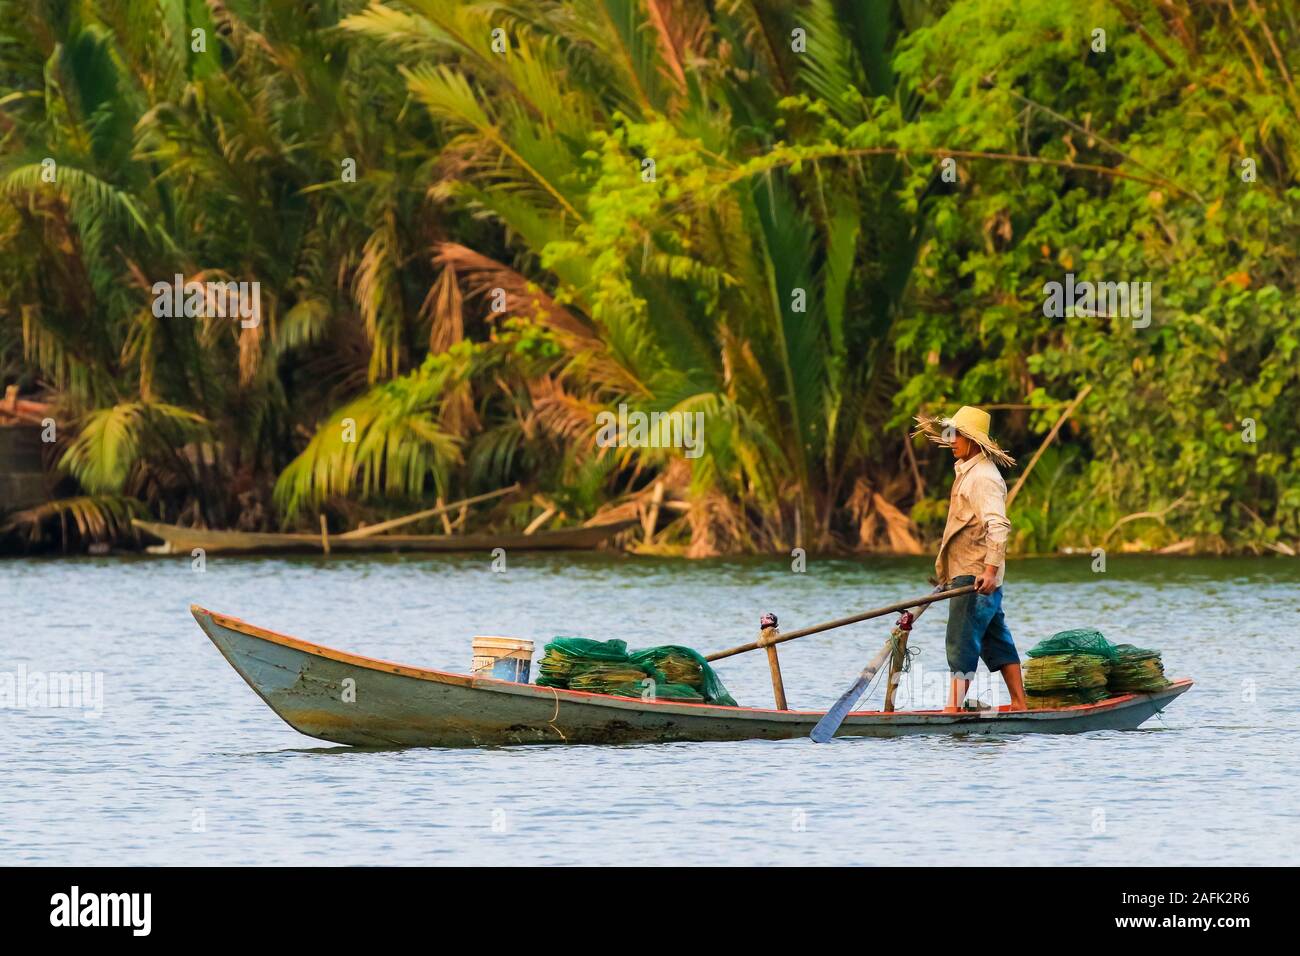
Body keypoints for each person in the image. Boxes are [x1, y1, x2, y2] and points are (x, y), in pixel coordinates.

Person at [913, 405, 1027, 712]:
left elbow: (998, 525)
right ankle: (1019, 703)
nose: (951, 441)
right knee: (996, 639)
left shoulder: (983, 478)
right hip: (972, 574)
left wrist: (989, 572)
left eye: (957, 436)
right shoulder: (969, 472)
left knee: (960, 640)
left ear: (973, 442)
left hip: (976, 576)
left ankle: (953, 708)